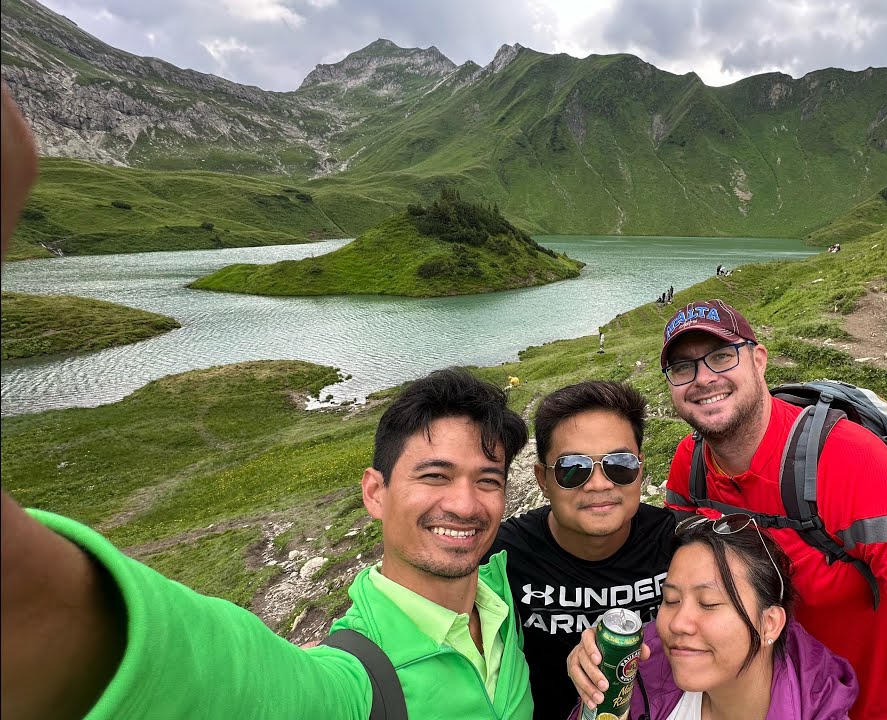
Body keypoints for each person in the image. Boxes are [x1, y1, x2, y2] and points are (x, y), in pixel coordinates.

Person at [0, 104, 537, 713]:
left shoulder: (500, 595)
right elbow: (207, 670)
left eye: (487, 481)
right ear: (374, 493)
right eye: (434, 475)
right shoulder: (353, 682)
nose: (465, 505)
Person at [574, 299, 887, 719]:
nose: (703, 377)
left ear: (759, 360)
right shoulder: (690, 465)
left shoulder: (847, 464)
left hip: (875, 703)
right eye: (682, 367)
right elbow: (691, 590)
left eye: (721, 356)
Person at [486, 380, 676, 720]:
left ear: (641, 469)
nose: (600, 484)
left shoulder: (676, 543)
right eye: (573, 469)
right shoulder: (501, 556)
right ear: (543, 479)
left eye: (621, 465)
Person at [568, 512, 858, 720]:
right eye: (671, 600)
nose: (678, 623)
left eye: (708, 603)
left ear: (770, 624)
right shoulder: (641, 667)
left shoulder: (818, 709)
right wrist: (595, 685)